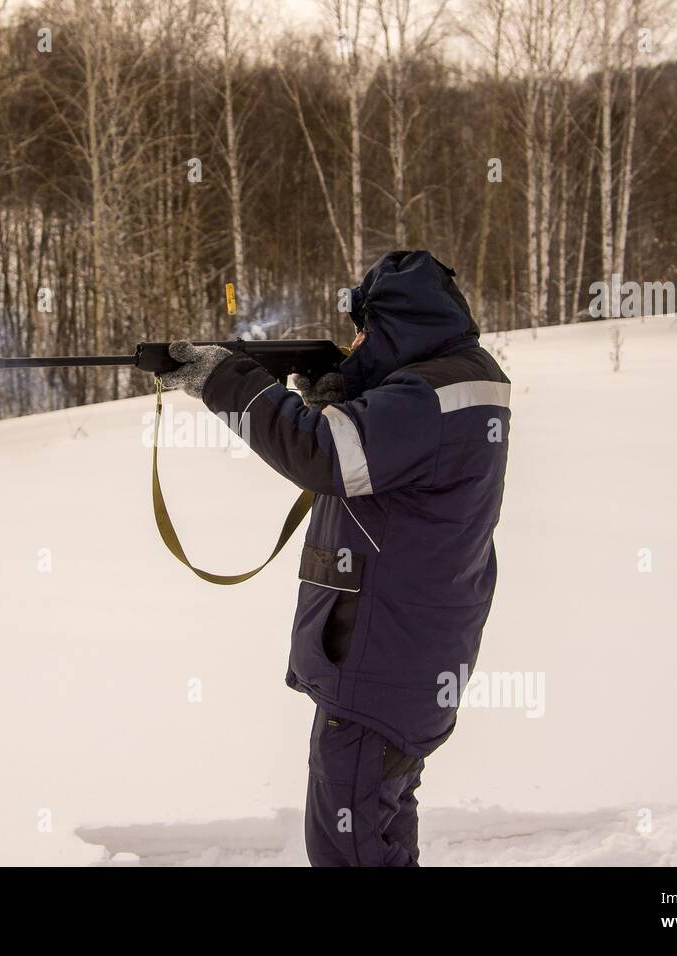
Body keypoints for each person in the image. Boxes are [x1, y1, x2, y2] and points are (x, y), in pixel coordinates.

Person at [159, 250, 510, 867]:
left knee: (348, 849)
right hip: (409, 654)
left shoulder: (428, 397)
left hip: (381, 665)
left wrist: (225, 381)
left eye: (365, 330)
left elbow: (324, 455)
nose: (354, 342)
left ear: (397, 324)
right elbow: (375, 461)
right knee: (380, 826)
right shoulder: (461, 380)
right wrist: (344, 393)